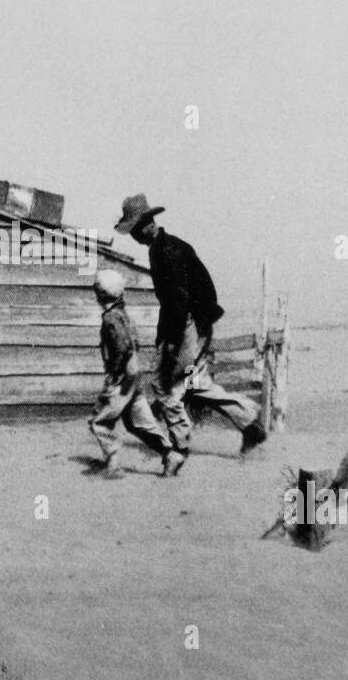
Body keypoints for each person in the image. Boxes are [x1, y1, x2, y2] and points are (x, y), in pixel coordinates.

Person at [114, 194, 266, 477]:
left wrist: (172, 343)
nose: (133, 236)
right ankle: (249, 422)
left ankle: (179, 449)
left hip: (187, 324)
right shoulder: (159, 248)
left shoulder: (170, 251)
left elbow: (180, 301)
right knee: (197, 383)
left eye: (134, 229)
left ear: (147, 224)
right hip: (189, 323)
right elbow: (174, 301)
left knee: (169, 387)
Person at [87, 269, 174, 475]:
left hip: (121, 379)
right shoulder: (124, 315)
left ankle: (113, 464)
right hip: (134, 378)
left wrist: (116, 372)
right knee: (140, 423)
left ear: (99, 295)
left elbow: (122, 346)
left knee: (100, 421)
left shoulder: (110, 318)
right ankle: (170, 454)